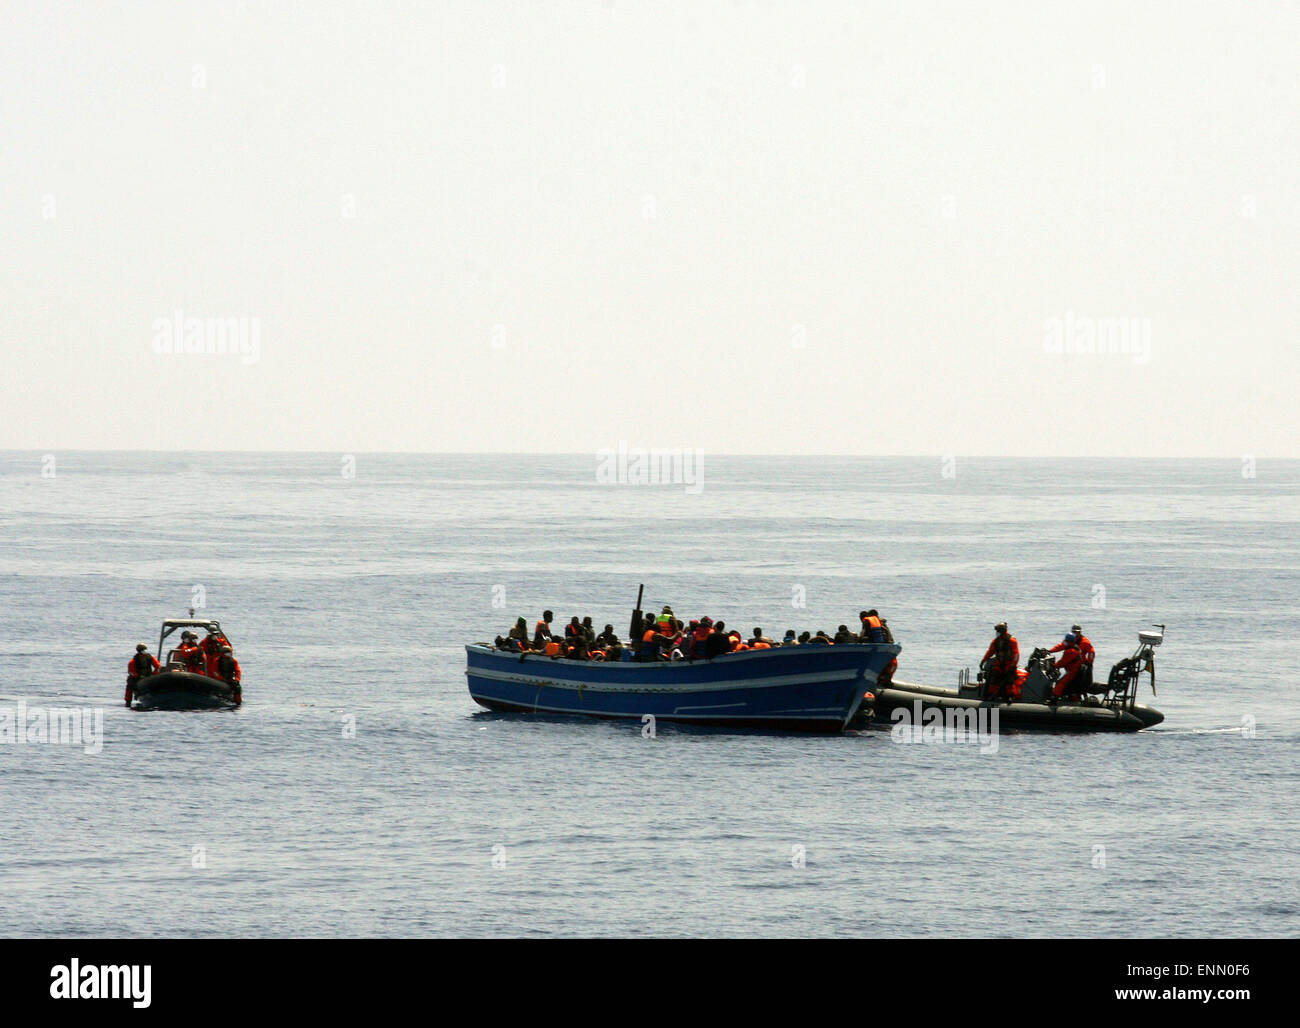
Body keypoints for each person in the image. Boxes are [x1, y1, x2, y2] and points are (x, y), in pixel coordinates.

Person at [980, 622, 1020, 700]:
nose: (997, 633)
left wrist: (1013, 665)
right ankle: (991, 694)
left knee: (1009, 680)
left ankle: (1010, 696)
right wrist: (983, 661)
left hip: (1009, 664)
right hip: (998, 663)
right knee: (994, 678)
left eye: (998, 631)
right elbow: (990, 652)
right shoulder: (996, 641)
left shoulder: (1012, 641)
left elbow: (1016, 655)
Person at [1052, 633, 1084, 699]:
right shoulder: (1075, 648)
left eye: (1066, 641)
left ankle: (1054, 698)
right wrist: (1050, 651)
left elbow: (1062, 663)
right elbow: (1060, 647)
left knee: (1060, 683)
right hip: (1075, 671)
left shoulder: (1070, 651)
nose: (1064, 642)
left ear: (1070, 642)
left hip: (1073, 672)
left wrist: (1054, 666)